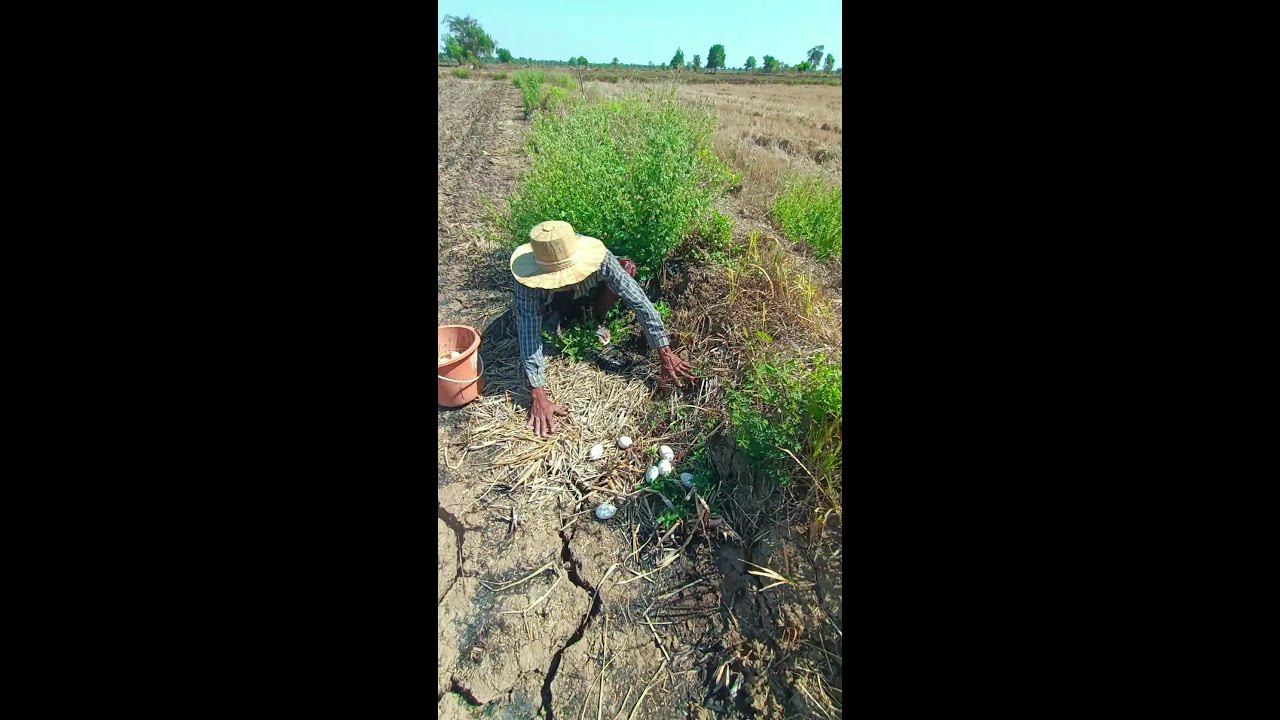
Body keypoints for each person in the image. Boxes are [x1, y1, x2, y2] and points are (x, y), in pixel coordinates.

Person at [512, 220, 696, 436]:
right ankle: (564, 318)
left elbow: (639, 301)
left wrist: (665, 353)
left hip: (590, 293)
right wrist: (538, 393)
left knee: (627, 268)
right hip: (551, 304)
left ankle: (590, 317)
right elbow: (528, 333)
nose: (564, 282)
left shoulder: (600, 260)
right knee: (547, 321)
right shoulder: (528, 282)